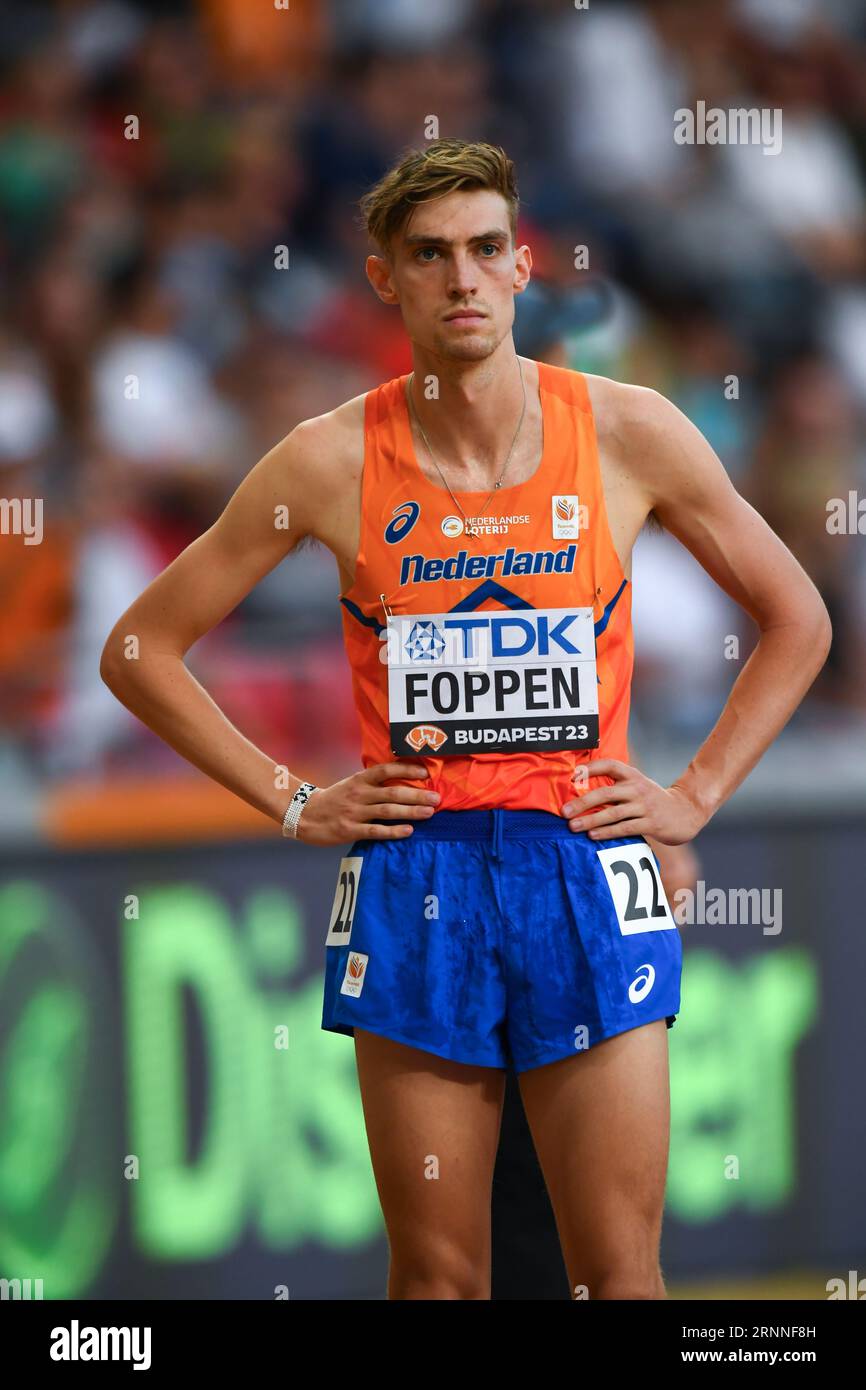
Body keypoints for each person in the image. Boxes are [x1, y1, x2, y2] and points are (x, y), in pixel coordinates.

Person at [100, 139, 831, 1300]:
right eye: (429, 256)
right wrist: (293, 798)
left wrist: (690, 796)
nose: (463, 279)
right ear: (383, 280)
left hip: (584, 863)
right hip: (414, 872)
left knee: (618, 1274)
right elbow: (137, 647)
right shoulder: (329, 458)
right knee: (438, 1279)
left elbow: (797, 617)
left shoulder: (627, 431)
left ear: (522, 264)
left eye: (486, 249)